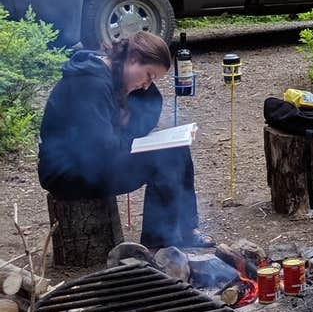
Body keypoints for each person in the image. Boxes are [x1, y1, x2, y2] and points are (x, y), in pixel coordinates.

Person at [38, 31, 205, 250]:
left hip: (95, 162)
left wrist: (133, 117)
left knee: (177, 148)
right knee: (164, 157)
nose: (146, 84)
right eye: (148, 75)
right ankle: (162, 242)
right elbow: (102, 149)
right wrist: (138, 143)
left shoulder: (116, 78)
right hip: (67, 172)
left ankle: (183, 229)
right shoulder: (90, 84)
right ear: (133, 59)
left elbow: (147, 108)